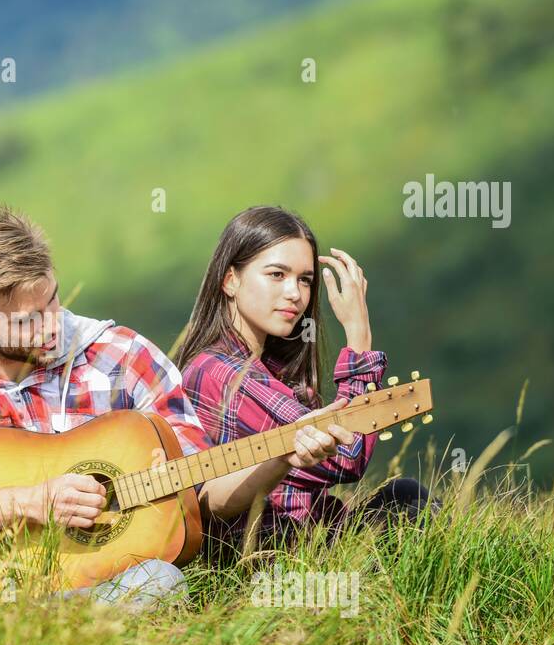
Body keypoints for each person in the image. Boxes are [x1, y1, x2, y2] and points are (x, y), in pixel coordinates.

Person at [0, 202, 350, 608]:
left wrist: (279, 456)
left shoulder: (123, 357)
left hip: (102, 589)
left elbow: (206, 494)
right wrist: (29, 503)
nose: (51, 326)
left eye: (52, 300)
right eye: (28, 320)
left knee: (162, 585)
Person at [177, 205, 434, 557]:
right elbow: (346, 457)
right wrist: (359, 338)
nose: (295, 294)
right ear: (230, 280)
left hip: (305, 543)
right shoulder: (222, 374)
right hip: (271, 557)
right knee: (407, 502)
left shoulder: (267, 371)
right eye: (277, 274)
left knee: (403, 499)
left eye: (305, 280)